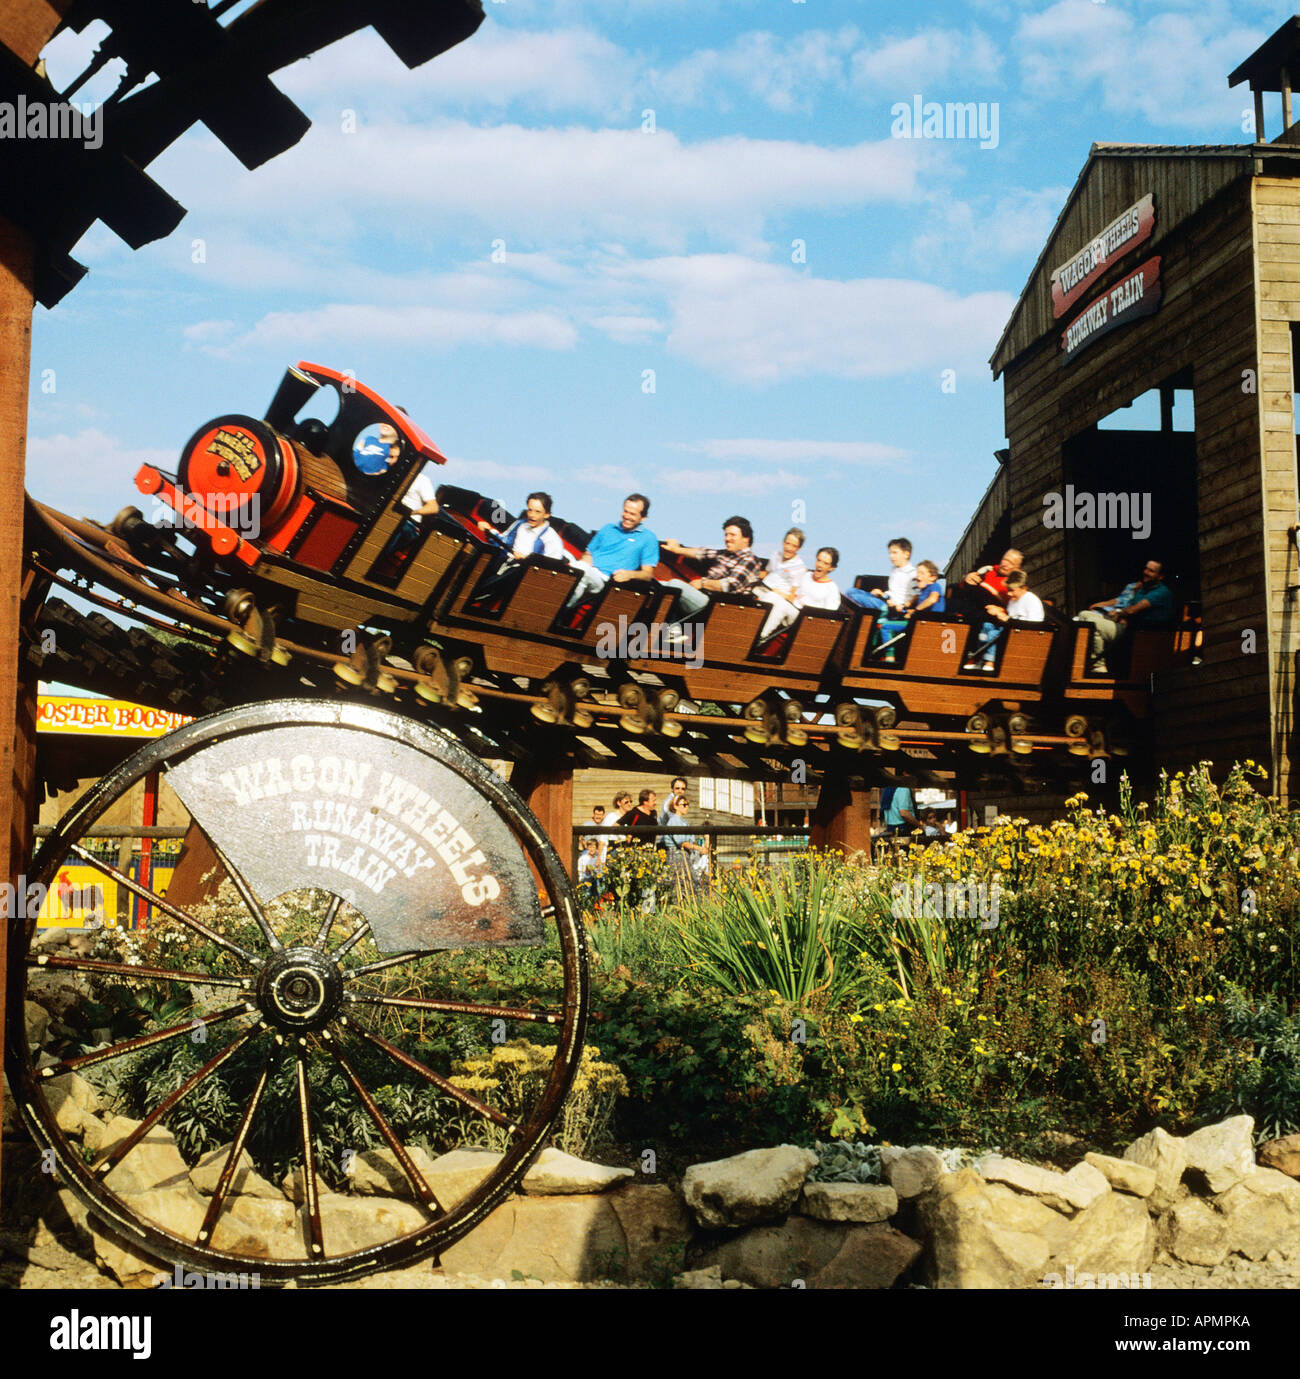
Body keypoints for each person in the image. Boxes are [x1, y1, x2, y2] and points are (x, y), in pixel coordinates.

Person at [661, 516, 764, 638]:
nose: (727, 539)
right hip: (707, 599)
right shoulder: (724, 554)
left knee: (675, 585)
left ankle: (675, 631)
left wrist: (702, 583)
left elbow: (729, 585)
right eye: (726, 535)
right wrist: (676, 549)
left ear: (746, 539)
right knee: (660, 584)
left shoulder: (749, 560)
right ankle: (666, 628)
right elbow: (700, 553)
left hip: (719, 607)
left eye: (732, 535)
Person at [1075, 559, 1173, 674]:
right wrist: (1121, 614)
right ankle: (1082, 658)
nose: (1145, 572)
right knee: (1084, 614)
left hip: (1141, 633)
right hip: (1126, 626)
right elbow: (1126, 605)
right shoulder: (1141, 589)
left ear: (1160, 576)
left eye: (1151, 571)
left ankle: (1098, 666)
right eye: (1146, 568)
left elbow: (1133, 610)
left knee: (1093, 624)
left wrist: (1120, 613)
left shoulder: (1162, 592)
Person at [565, 494, 659, 608]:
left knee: (580, 571)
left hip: (607, 581)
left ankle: (558, 611)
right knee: (563, 557)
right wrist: (587, 559)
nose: (627, 516)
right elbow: (588, 553)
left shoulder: (648, 538)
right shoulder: (608, 528)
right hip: (589, 569)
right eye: (625, 511)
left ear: (643, 518)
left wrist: (629, 574)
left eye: (632, 514)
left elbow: (647, 574)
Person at [965, 568, 1044, 671]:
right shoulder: (1012, 601)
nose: (1009, 594)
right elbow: (1009, 618)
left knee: (993, 634)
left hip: (1027, 635)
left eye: (1012, 591)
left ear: (1024, 588)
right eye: (1008, 590)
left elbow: (1034, 625)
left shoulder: (1032, 600)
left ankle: (990, 663)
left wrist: (1006, 618)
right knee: (987, 626)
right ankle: (979, 658)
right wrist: (999, 613)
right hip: (1013, 630)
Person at [758, 545, 842, 641]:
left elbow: (829, 617)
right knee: (771, 596)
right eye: (819, 560)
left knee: (782, 606)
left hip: (807, 620)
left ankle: (760, 636)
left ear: (831, 568)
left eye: (825, 563)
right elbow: (791, 593)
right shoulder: (806, 575)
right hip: (792, 607)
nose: (820, 565)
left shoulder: (832, 589)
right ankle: (752, 626)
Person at [478, 492, 568, 561]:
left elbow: (550, 567)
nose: (532, 515)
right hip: (506, 566)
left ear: (547, 515)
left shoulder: (551, 538)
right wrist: (489, 530)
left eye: (537, 511)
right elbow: (504, 542)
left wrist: (526, 560)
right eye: (530, 510)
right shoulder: (520, 525)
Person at [753, 528, 808, 637]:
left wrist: (777, 592)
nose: (788, 548)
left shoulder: (799, 567)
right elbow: (766, 573)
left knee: (772, 600)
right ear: (783, 542)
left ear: (799, 548)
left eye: (794, 546)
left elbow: (792, 597)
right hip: (761, 588)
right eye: (787, 543)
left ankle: (760, 636)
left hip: (777, 596)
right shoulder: (775, 555)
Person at [843, 538, 917, 615]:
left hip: (892, 607)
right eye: (890, 553)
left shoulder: (912, 573)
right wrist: (881, 594)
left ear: (906, 554)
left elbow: (916, 596)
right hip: (885, 599)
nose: (891, 556)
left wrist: (903, 606)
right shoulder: (895, 569)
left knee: (853, 598)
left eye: (895, 553)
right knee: (850, 591)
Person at [950, 548, 1024, 616]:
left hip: (986, 612)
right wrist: (966, 579)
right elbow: (962, 587)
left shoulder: (1015, 585)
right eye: (1005, 560)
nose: (1005, 564)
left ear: (1018, 569)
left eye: (1011, 563)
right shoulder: (988, 570)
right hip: (967, 604)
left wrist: (1001, 610)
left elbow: (1015, 610)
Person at [661, 794, 705, 895]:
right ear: (675, 806)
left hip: (684, 855)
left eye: (687, 804)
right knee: (680, 883)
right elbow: (682, 842)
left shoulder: (683, 822)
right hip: (676, 855)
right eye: (684, 804)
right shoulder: (674, 821)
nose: (687, 807)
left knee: (688, 882)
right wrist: (698, 848)